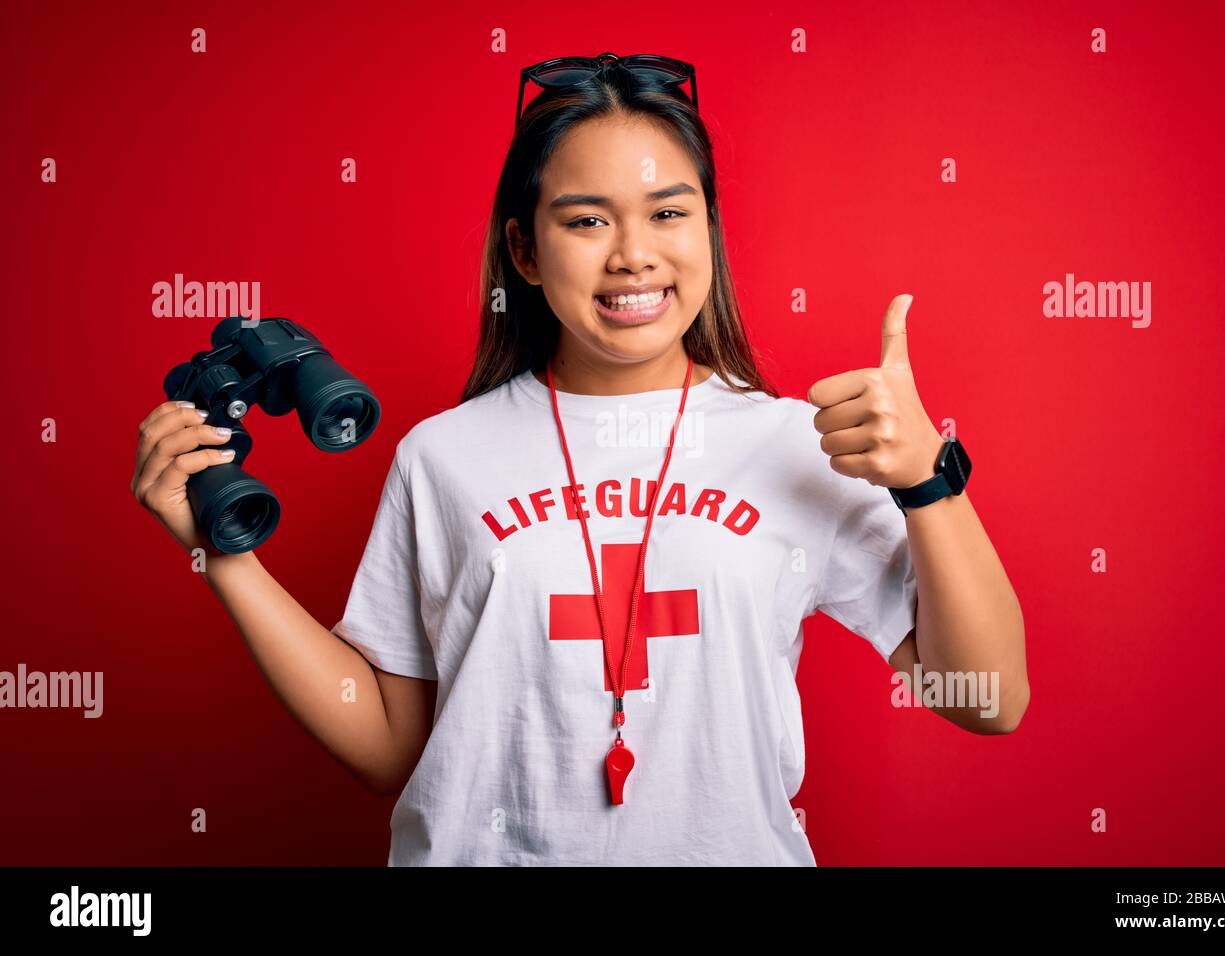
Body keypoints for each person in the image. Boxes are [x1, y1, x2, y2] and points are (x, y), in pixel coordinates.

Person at [130, 53, 1026, 866]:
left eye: (669, 212)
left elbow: (990, 701)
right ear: (523, 249)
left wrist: (927, 481)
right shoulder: (442, 457)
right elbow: (391, 749)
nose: (633, 254)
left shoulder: (798, 444)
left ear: (708, 229)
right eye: (586, 220)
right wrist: (224, 554)